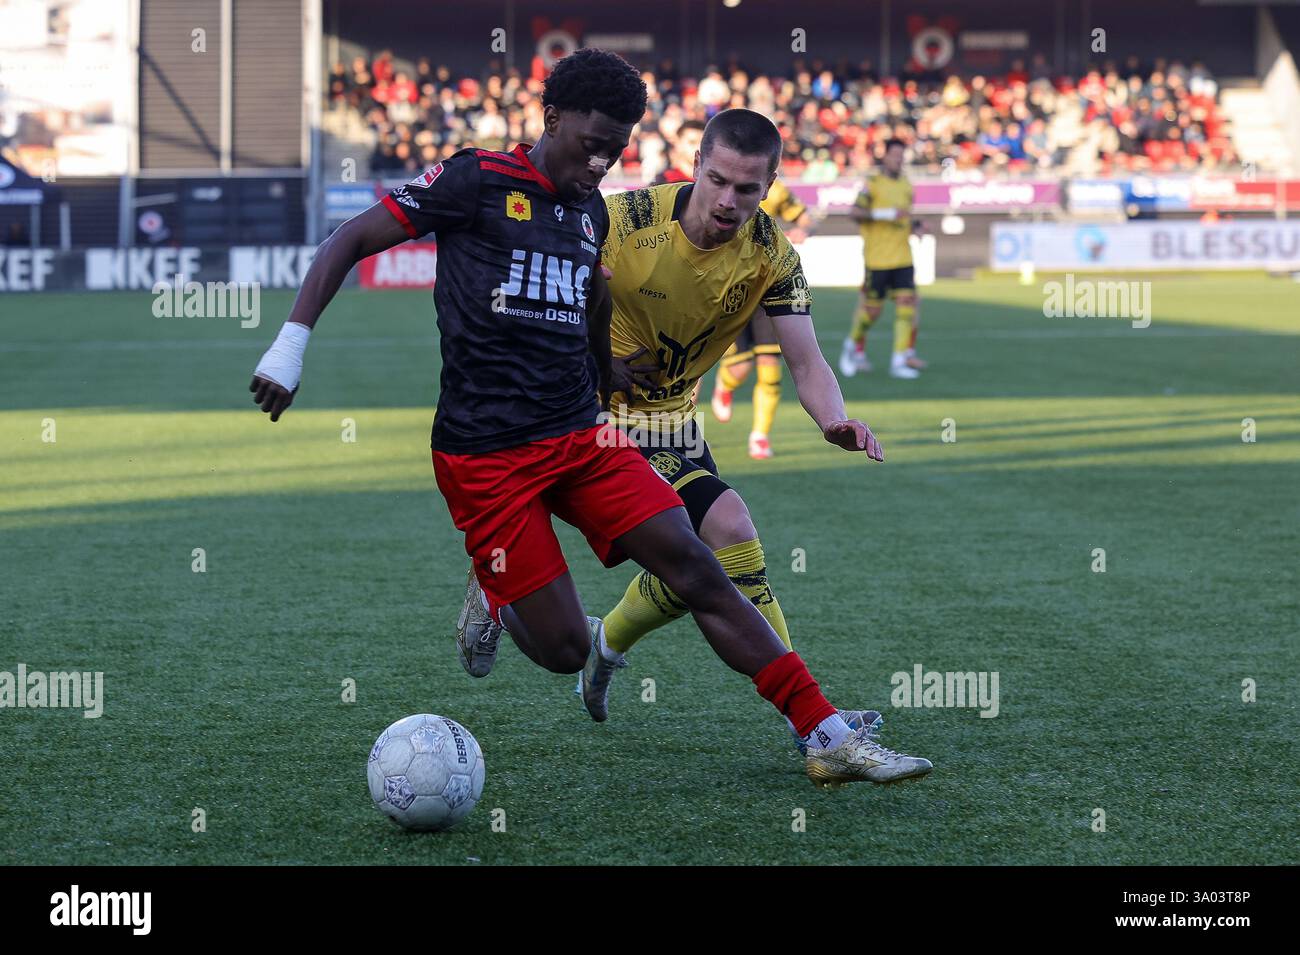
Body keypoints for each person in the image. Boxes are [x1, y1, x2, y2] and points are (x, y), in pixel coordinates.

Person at [248, 49, 930, 788]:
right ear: (552, 120)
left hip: (583, 435)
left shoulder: (587, 210)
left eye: (618, 146)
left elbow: (593, 298)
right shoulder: (477, 179)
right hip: (486, 456)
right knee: (565, 648)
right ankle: (497, 581)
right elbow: (349, 240)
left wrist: (604, 368)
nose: (604, 158)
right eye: (593, 140)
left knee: (700, 563)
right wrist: (290, 348)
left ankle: (822, 730)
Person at [584, 109, 928, 770]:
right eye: (717, 180)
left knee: (701, 568)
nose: (728, 200)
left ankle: (607, 643)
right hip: (599, 423)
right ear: (696, 166)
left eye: (748, 188)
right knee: (732, 528)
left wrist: (835, 418)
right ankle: (818, 727)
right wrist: (595, 361)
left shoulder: (772, 253)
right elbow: (556, 304)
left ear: (770, 185)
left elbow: (805, 359)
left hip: (675, 423)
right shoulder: (622, 221)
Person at [709, 176, 816, 459]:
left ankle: (760, 436)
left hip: (768, 288)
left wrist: (800, 229)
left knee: (770, 367)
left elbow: (805, 217)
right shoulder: (723, 192)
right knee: (742, 367)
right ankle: (725, 385)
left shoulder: (777, 192)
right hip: (730, 289)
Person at [840, 138, 926, 380]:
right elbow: (854, 213)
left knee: (907, 305)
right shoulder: (873, 183)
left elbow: (905, 218)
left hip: (902, 256)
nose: (898, 160)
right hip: (877, 259)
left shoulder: (907, 185)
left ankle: (899, 360)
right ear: (885, 156)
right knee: (871, 312)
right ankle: (851, 344)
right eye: (894, 155)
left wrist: (916, 226)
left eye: (901, 156)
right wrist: (887, 214)